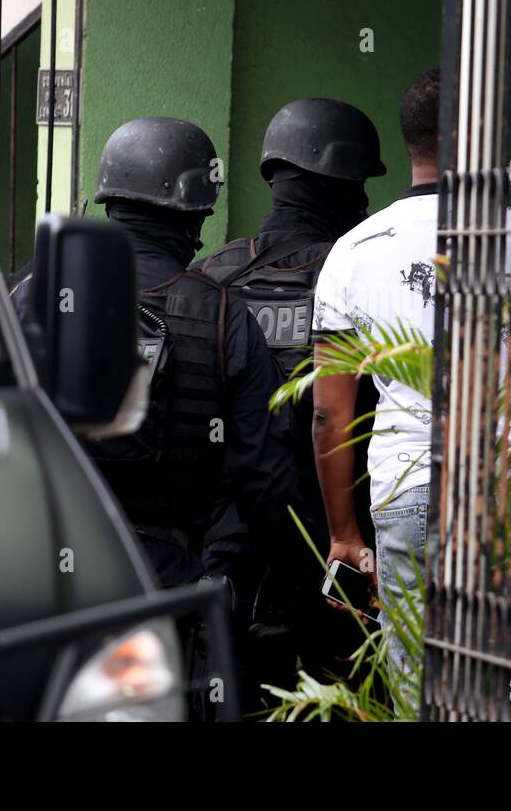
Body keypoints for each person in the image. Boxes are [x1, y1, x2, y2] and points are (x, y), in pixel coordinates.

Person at [75, 117, 301, 718]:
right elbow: (264, 478)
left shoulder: (33, 297)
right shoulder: (222, 314)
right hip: (174, 586)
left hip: (55, 569)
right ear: (194, 210)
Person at [194, 98, 386, 682]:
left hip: (228, 536)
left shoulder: (214, 275)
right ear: (343, 185)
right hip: (337, 537)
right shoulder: (356, 274)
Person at [310, 69, 441, 711]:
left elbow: (330, 415)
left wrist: (343, 532)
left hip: (406, 487)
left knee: (417, 693)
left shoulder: (355, 250)